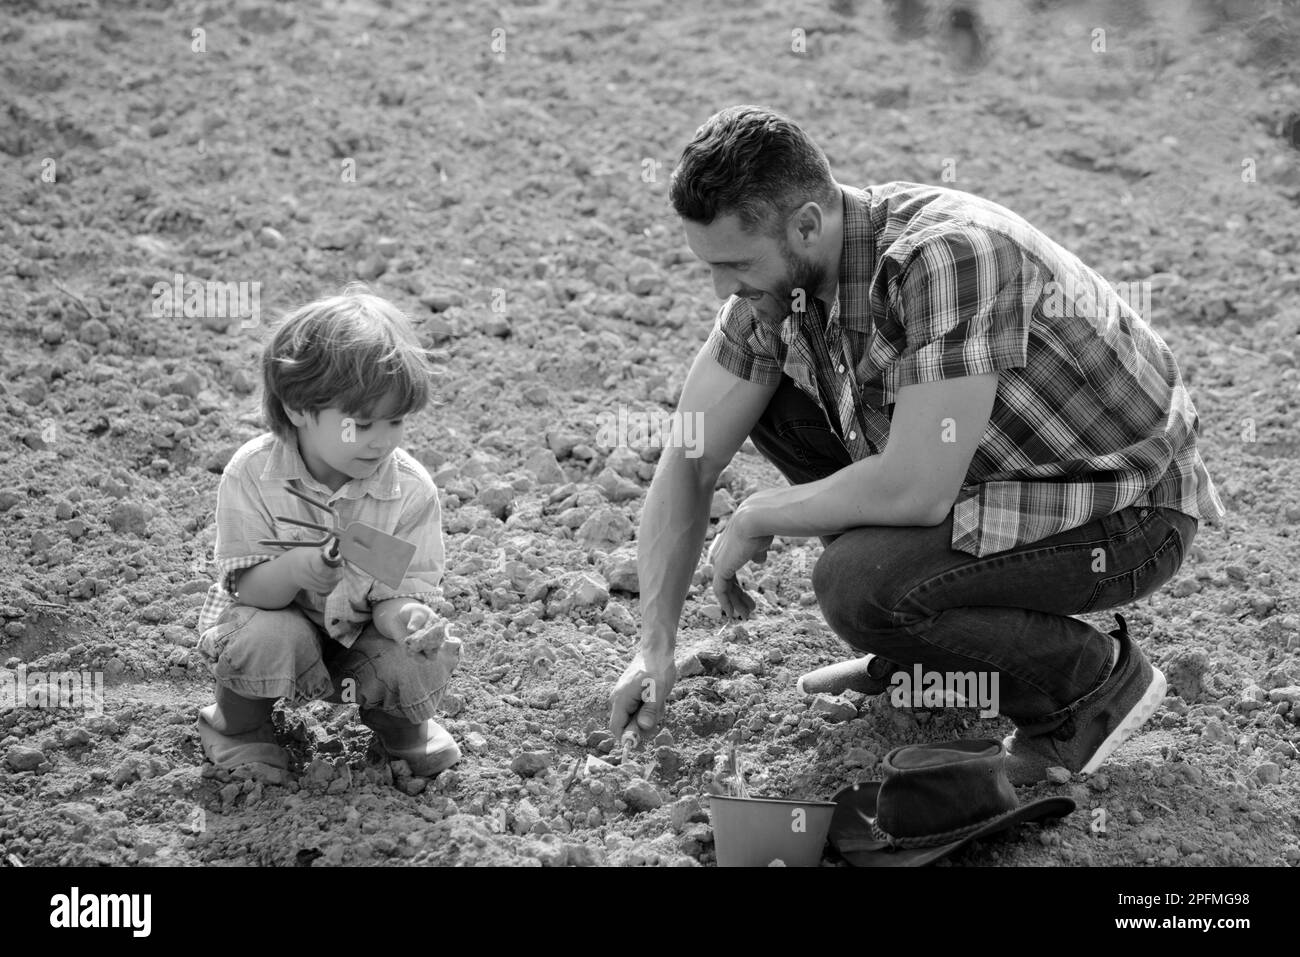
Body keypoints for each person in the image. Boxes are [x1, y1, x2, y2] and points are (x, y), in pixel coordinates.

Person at [608, 105, 1224, 785]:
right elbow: (691, 455)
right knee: (772, 407)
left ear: (807, 225)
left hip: (1125, 511)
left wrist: (759, 513)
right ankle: (931, 661)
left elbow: (917, 487)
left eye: (735, 264)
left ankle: (1089, 686)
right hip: (997, 479)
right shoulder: (781, 292)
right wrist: (653, 646)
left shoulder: (946, 255)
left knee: (856, 583)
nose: (724, 289)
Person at [194, 284, 462, 776]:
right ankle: (236, 724)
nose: (382, 441)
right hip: (279, 627)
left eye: (396, 421)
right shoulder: (253, 474)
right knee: (262, 634)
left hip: (362, 637)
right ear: (298, 409)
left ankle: (403, 733)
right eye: (360, 425)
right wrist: (295, 568)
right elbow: (246, 586)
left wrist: (406, 619)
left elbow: (394, 594)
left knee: (416, 656)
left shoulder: (409, 489)